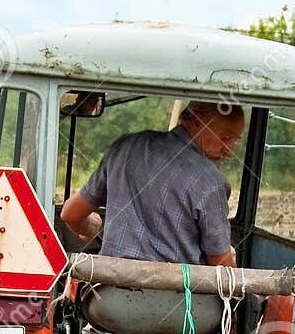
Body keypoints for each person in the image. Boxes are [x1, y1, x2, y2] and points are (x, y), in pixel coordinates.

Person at [60, 101, 244, 269]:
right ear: (197, 122)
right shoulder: (210, 181)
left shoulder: (125, 147)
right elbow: (220, 264)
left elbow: (71, 215)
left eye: (235, 140)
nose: (230, 150)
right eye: (226, 138)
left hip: (107, 293)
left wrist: (93, 228)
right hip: (177, 299)